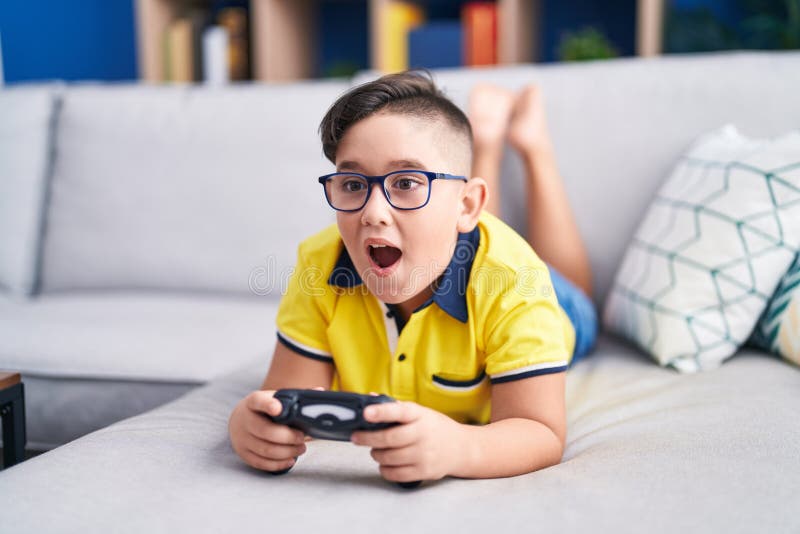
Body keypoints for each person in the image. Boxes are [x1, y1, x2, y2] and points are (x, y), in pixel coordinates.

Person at [228, 71, 597, 483]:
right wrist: (254, 424)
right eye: (352, 183)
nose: (372, 213)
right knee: (457, 233)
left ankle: (530, 146)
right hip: (467, 241)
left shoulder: (518, 282)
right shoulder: (320, 264)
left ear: (467, 204)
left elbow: (540, 431)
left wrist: (461, 447)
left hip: (556, 303)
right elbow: (287, 400)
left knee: (572, 285)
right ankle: (485, 142)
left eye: (405, 182)